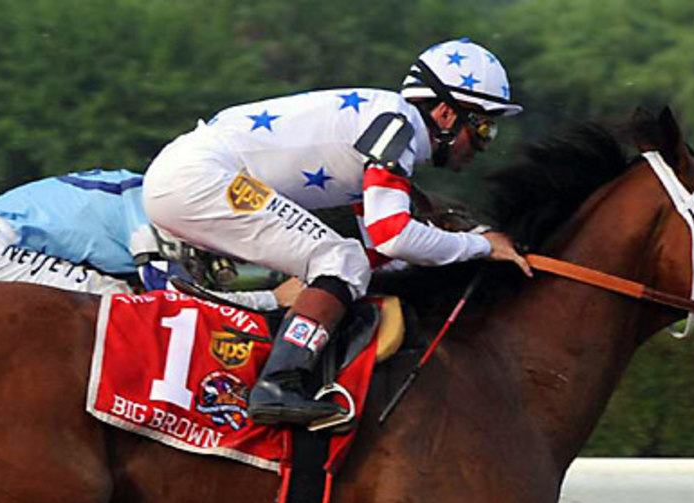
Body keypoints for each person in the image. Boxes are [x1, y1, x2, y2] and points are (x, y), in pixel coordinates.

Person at [143, 38, 533, 427]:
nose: (483, 144)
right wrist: (481, 246)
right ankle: (278, 384)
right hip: (199, 176)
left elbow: (381, 251)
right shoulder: (396, 126)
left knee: (342, 262)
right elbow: (393, 235)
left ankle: (263, 330)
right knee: (340, 260)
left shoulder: (383, 122)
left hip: (187, 175)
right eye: (483, 128)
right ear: (447, 113)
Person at [0, 167, 300, 308]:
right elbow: (174, 306)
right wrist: (273, 298)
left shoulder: (153, 192)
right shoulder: (155, 214)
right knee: (125, 305)